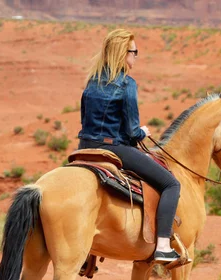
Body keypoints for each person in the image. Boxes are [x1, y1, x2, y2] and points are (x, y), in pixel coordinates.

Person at [78, 28, 181, 263]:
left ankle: (86, 253)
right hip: (113, 148)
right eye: (134, 52)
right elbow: (132, 133)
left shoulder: (91, 82)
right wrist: (143, 132)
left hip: (83, 147)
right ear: (123, 53)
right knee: (170, 184)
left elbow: (85, 120)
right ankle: (163, 245)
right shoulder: (126, 84)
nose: (135, 57)